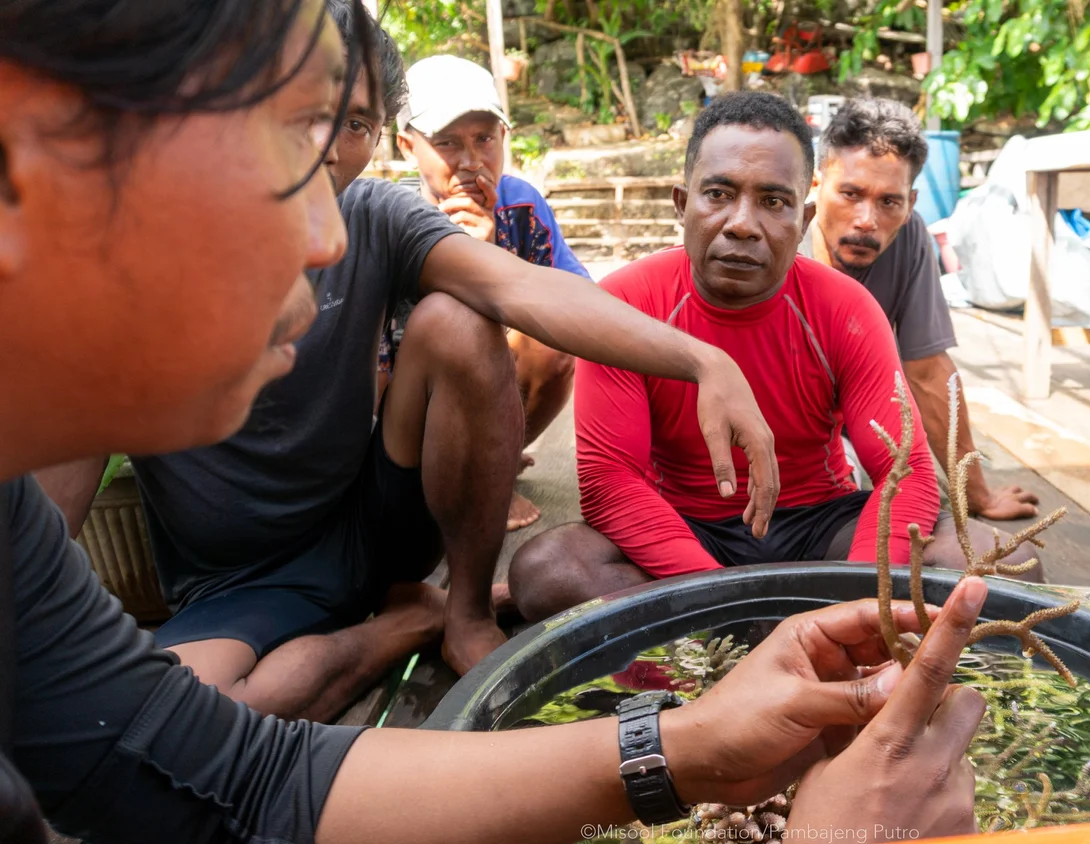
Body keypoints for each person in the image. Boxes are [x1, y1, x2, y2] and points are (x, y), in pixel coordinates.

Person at [0, 2, 986, 842]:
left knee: (936, 557)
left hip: (783, 532)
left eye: (344, 132)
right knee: (558, 567)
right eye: (287, 140)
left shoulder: (19, 547)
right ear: (24, 145)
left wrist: (692, 747)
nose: (328, 234)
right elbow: (610, 479)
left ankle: (461, 612)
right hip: (654, 550)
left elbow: (240, 777)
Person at [38, 1, 780, 722]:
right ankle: (406, 625)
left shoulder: (373, 216)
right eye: (294, 107)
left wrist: (702, 360)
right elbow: (39, 527)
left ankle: (463, 612)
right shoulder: (116, 269)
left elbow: (520, 286)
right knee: (180, 723)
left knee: (460, 318)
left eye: (354, 122)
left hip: (373, 525)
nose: (327, 144)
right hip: (238, 585)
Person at [507, 92, 1037, 623]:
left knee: (1000, 562)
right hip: (682, 527)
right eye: (718, 194)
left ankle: (744, 632)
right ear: (681, 204)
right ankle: (747, 628)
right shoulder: (625, 304)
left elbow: (909, 471)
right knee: (551, 571)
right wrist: (725, 601)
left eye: (774, 201)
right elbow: (610, 481)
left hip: (821, 527)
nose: (742, 223)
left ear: (804, 219)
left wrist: (857, 604)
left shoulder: (847, 308)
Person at [804, 98, 1041, 522]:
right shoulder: (780, 235)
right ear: (815, 185)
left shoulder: (910, 236)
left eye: (888, 202)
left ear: (911, 203)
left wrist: (977, 496)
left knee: (921, 506)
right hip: (784, 426)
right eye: (850, 194)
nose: (867, 219)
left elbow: (928, 370)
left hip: (862, 418)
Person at [397, 55, 588, 529]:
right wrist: (462, 263)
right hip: (406, 414)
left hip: (495, 391)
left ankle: (493, 463)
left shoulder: (521, 205)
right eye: (447, 142)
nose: (471, 161)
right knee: (451, 328)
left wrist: (492, 258)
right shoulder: (392, 219)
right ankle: (456, 476)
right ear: (407, 146)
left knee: (551, 344)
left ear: (504, 136)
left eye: (484, 138)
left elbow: (578, 301)